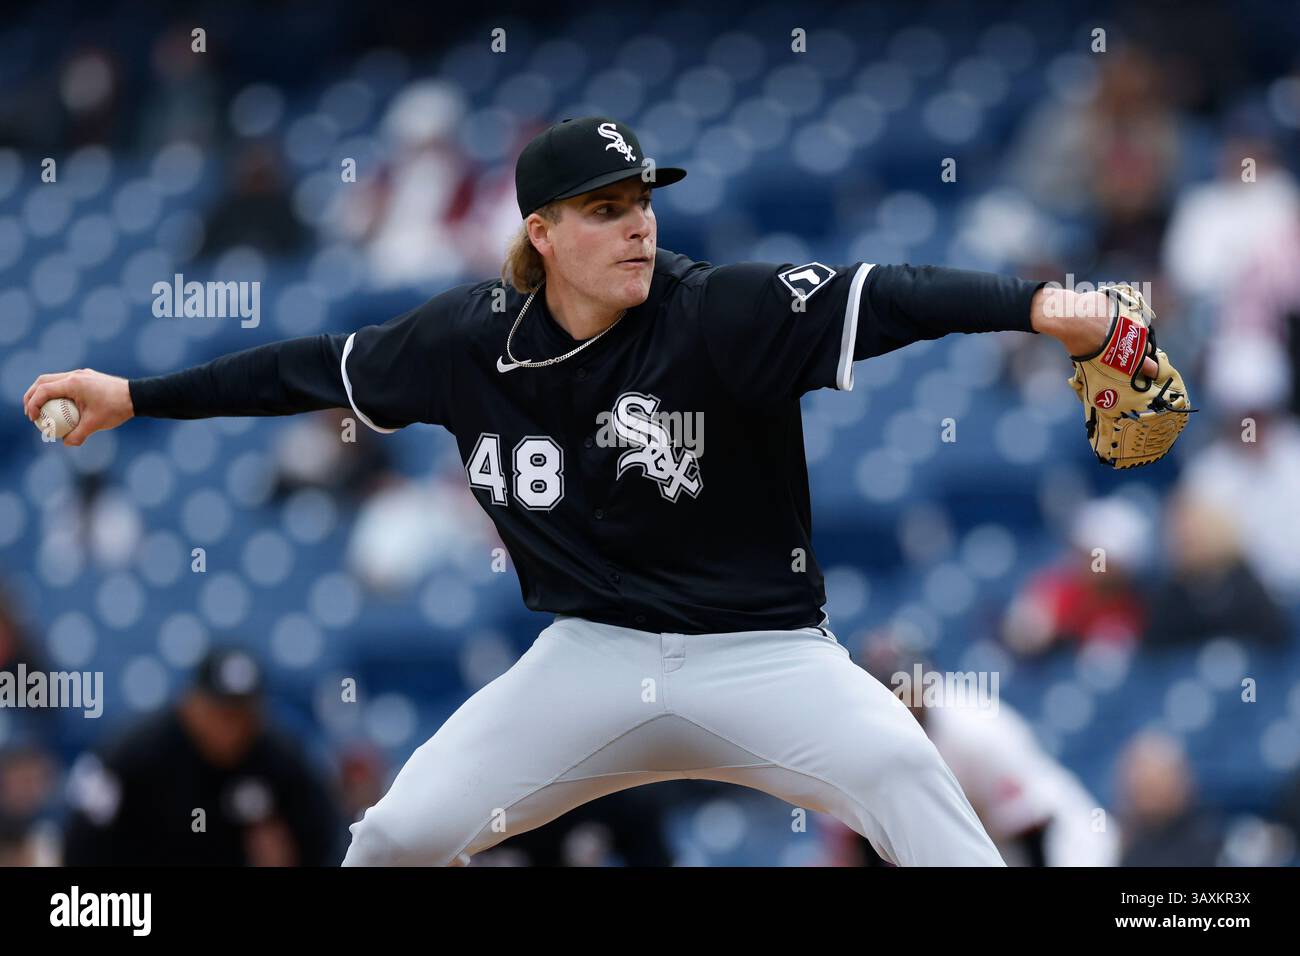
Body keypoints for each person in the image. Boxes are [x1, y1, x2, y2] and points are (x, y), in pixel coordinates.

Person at [24, 116, 1160, 867]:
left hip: (764, 651)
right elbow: (299, 367)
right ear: (541, 232)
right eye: (607, 207)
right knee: (397, 836)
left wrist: (1049, 307)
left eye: (642, 199)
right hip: (591, 656)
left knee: (910, 778)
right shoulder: (464, 340)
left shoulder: (716, 309)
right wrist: (134, 391)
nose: (637, 222)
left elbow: (898, 291)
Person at [62, 647, 342, 865]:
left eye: (244, 715)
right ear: (191, 705)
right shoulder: (135, 754)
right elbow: (82, 840)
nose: (233, 730)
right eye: (222, 715)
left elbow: (325, 836)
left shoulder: (282, 760)